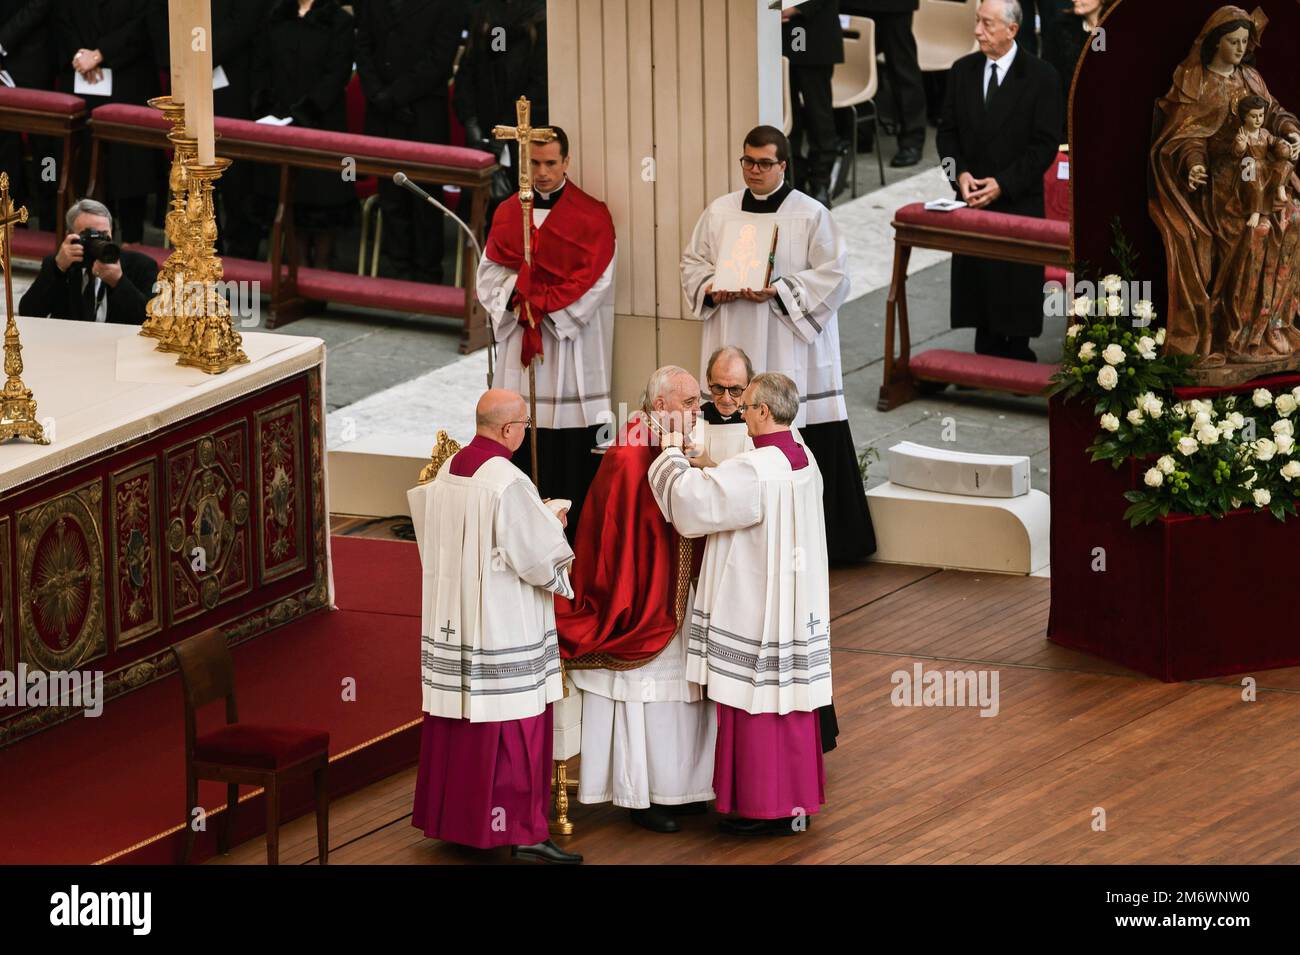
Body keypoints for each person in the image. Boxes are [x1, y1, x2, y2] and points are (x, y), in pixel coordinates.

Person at [681, 124, 875, 564]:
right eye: (747, 161)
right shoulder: (720, 211)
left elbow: (836, 276)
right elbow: (692, 264)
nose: (754, 170)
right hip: (734, 330)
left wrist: (783, 291)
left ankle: (827, 545)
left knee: (794, 421)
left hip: (787, 346)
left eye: (764, 163)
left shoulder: (810, 214)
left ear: (783, 165)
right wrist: (714, 287)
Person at [649, 372, 831, 836]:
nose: (740, 412)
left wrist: (670, 452)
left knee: (756, 705)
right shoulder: (803, 458)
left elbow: (692, 503)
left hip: (757, 611)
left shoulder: (755, 470)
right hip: (794, 605)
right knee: (788, 704)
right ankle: (795, 803)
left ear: (765, 411)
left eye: (747, 406)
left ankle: (761, 808)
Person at [406, 388, 582, 865]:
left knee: (461, 725)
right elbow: (536, 558)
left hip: (456, 622)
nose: (525, 432)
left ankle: (460, 825)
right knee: (514, 728)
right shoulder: (507, 481)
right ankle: (523, 832)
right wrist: (554, 522)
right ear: (508, 430)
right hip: (501, 626)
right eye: (524, 424)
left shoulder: (449, 469)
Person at [555, 366, 717, 834]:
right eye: (687, 403)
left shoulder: (666, 444)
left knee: (682, 701)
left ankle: (683, 791)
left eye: (696, 402)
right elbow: (621, 537)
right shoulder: (631, 451)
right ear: (660, 405)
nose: (697, 410)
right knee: (648, 700)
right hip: (641, 601)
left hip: (673, 594)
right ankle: (642, 796)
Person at [476, 127, 615, 541]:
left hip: (567, 344)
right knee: (522, 434)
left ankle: (569, 543)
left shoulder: (591, 216)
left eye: (551, 163)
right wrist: (519, 299)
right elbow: (490, 274)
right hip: (522, 335)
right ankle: (518, 536)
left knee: (568, 448)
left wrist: (546, 305)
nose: (542, 172)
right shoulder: (506, 214)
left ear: (566, 162)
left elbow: (600, 279)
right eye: (534, 163)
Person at [935, 0, 1062, 361]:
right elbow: (947, 135)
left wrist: (1003, 184)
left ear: (1012, 29)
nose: (978, 31)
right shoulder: (962, 71)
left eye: (987, 24)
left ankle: (1017, 351)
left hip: (1017, 197)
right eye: (977, 22)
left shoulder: (1042, 76)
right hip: (971, 195)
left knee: (1015, 282)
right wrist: (957, 174)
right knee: (979, 282)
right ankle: (984, 349)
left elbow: (1044, 145)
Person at [355, 0, 465, 282]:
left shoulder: (449, 5)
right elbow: (363, 46)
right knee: (391, 196)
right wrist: (377, 93)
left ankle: (427, 274)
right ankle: (396, 271)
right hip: (382, 112)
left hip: (423, 112)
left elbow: (440, 59)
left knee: (424, 197)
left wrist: (396, 95)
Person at [251, 0, 355, 270]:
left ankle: (320, 272)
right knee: (288, 200)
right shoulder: (275, 14)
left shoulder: (339, 20)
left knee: (322, 204)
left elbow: (338, 73)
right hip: (280, 125)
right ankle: (291, 272)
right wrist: (267, 109)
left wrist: (305, 113)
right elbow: (261, 66)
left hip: (324, 125)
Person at [55, 0, 161, 244]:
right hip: (82, 77)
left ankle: (132, 240)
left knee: (131, 166)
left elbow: (145, 21)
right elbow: (61, 16)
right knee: (82, 162)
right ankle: (85, 238)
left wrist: (101, 53)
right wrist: (80, 54)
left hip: (130, 78)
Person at [453, 0, 548, 223]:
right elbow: (467, 73)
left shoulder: (540, 17)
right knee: (482, 216)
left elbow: (539, 84)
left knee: (522, 217)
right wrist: (470, 121)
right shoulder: (483, 11)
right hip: (483, 129)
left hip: (524, 134)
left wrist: (507, 129)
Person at [19, 198, 158, 325]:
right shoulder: (60, 264)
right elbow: (28, 313)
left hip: (117, 347)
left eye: (104, 235)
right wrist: (58, 269)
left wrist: (119, 282)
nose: (98, 243)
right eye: (89, 236)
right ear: (70, 235)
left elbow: (151, 321)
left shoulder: (141, 266)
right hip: (68, 347)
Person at [843, 0, 927, 168]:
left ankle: (912, 140)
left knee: (902, 69)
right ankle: (860, 134)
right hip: (850, 5)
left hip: (894, 6)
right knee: (855, 66)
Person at [0, 0, 57, 227]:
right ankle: (12, 220)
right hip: (3, 65)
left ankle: (50, 217)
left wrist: (2, 41)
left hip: (33, 62)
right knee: (5, 151)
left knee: (46, 151)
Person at [782, 0, 843, 207]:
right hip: (778, 37)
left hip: (816, 34)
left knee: (819, 114)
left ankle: (821, 181)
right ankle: (792, 176)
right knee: (787, 116)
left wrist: (795, 8)